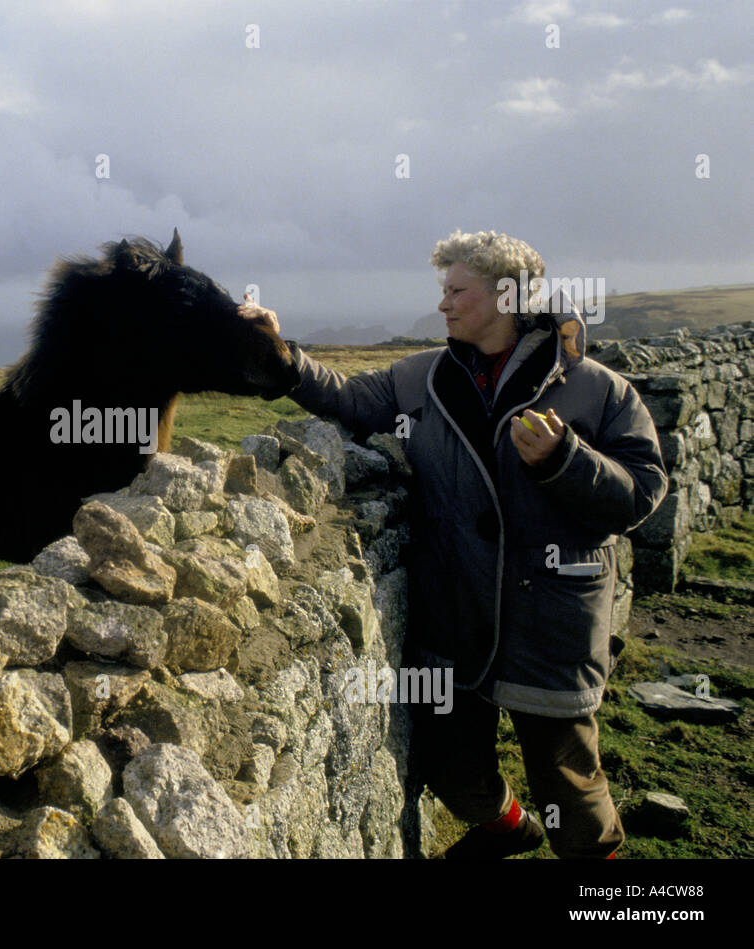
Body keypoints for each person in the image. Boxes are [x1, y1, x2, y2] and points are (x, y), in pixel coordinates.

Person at [240, 229, 667, 858]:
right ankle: (510, 828)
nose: (443, 304)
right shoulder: (420, 379)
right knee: (452, 768)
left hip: (551, 617)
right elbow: (348, 399)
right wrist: (278, 353)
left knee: (569, 783)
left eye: (456, 290)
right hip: (457, 613)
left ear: (506, 295)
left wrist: (566, 460)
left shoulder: (597, 390)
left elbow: (640, 496)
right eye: (442, 290)